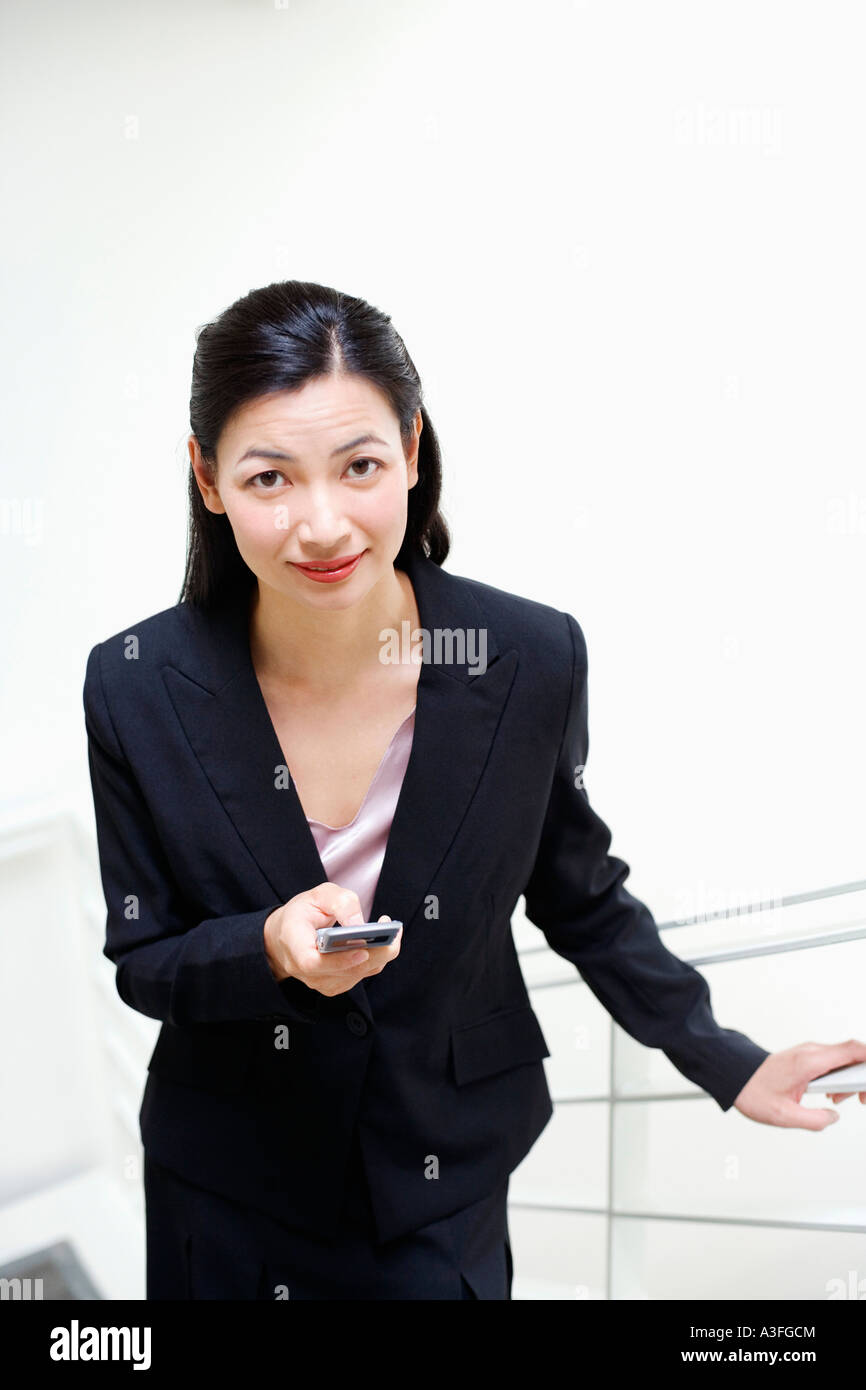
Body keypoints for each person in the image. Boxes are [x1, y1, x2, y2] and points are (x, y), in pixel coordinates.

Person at [82, 280, 866, 1301]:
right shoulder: (136, 680)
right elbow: (145, 959)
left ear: (410, 450)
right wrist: (267, 948)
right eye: (270, 477)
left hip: (439, 1177)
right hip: (230, 1187)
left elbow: (581, 894)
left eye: (359, 466)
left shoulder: (526, 655)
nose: (321, 524)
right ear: (208, 477)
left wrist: (722, 1057)